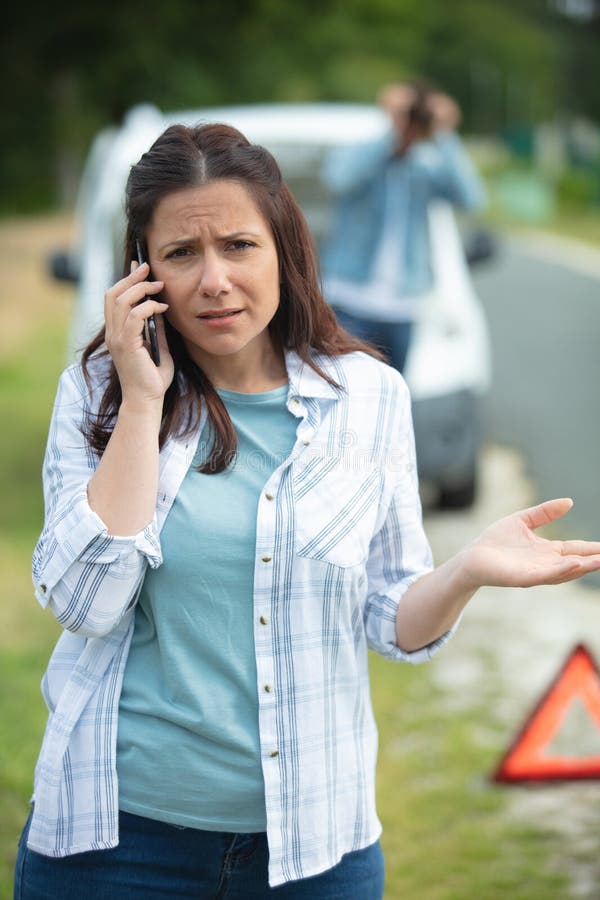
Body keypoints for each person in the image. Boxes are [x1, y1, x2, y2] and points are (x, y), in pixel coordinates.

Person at [13, 122, 600, 900]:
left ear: (284, 248)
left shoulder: (370, 398)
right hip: (116, 846)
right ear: (142, 271)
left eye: (238, 245)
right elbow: (84, 604)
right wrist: (142, 404)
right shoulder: (97, 393)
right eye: (181, 254)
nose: (214, 280)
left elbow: (392, 620)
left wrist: (465, 572)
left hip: (315, 851)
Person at [320, 80, 488, 374]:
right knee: (341, 391)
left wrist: (444, 133)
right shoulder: (365, 154)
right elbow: (338, 178)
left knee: (392, 397)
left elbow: (472, 198)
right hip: (348, 299)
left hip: (403, 307)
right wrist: (394, 132)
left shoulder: (424, 167)